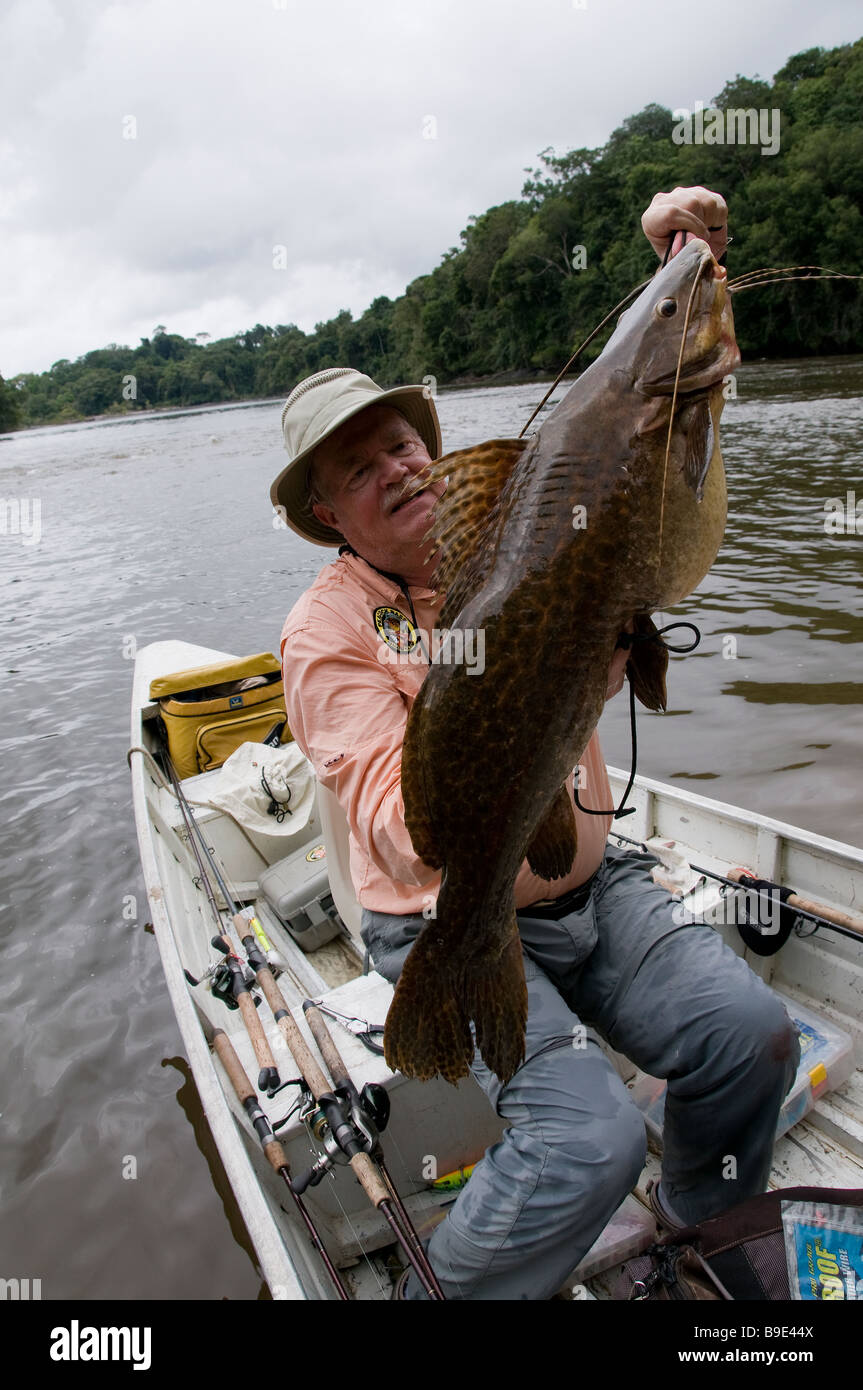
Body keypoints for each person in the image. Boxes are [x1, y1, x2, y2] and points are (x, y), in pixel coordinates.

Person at [270, 188, 799, 1300]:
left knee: (751, 1033)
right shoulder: (325, 629)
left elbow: (669, 418)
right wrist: (533, 680)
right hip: (440, 925)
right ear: (325, 513)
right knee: (585, 1141)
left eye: (404, 445)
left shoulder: (523, 519)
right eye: (359, 470)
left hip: (593, 888)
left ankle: (698, 1219)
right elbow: (397, 829)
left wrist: (685, 257)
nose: (400, 471)